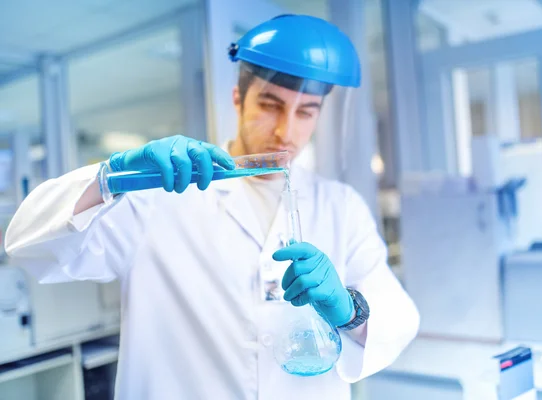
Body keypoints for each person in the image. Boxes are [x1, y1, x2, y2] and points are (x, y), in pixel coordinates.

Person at [5, 14, 419, 400]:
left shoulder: (341, 206)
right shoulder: (158, 196)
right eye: (270, 105)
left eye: (306, 112)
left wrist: (350, 309)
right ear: (238, 98)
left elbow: (398, 319)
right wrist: (112, 176)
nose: (285, 130)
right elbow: (27, 244)